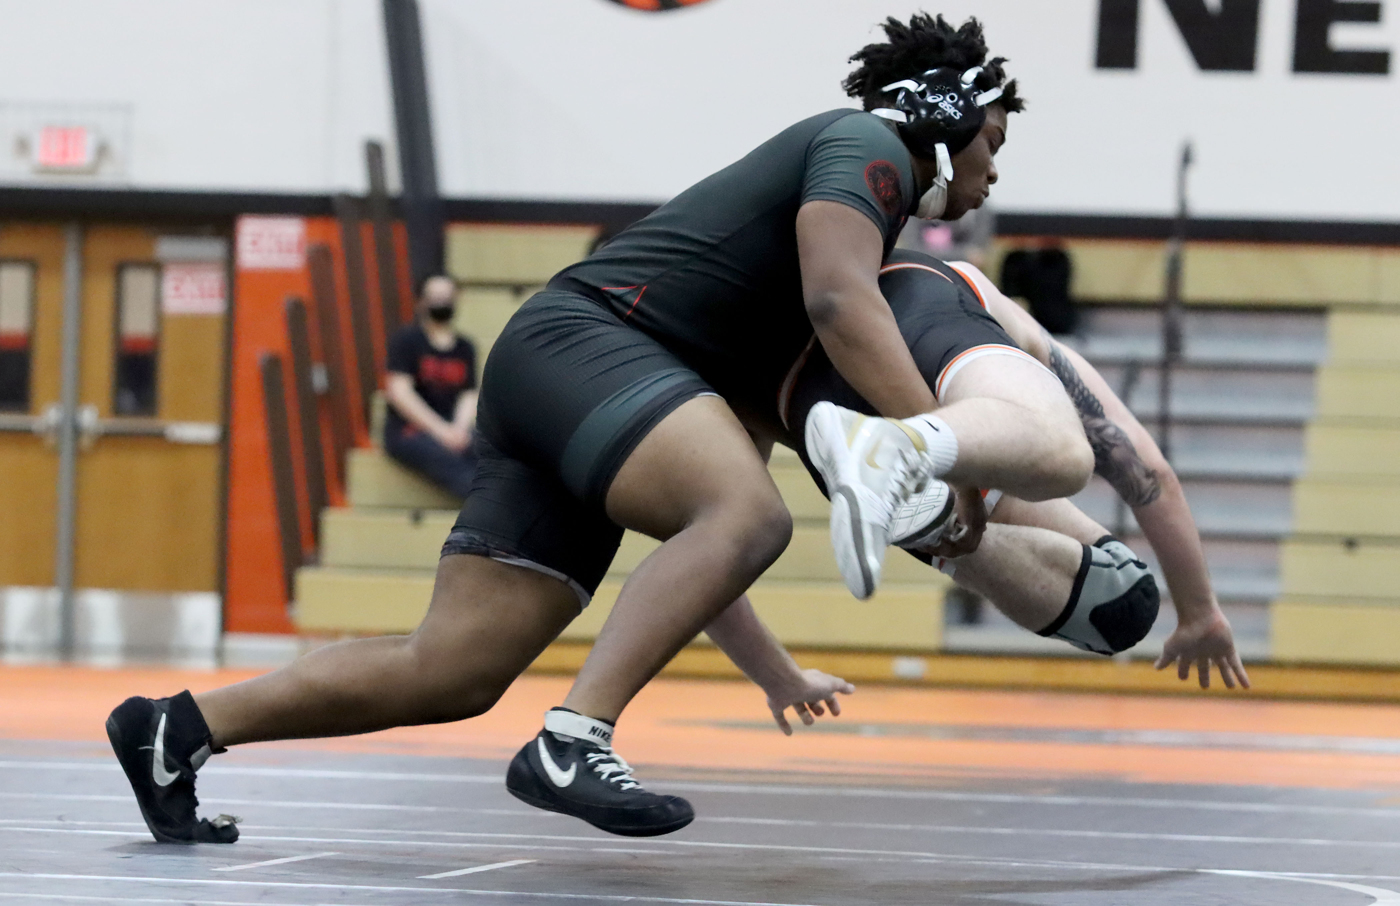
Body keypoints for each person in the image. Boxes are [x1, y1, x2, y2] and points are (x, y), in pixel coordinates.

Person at [104, 12, 1088, 844]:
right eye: (993, 138)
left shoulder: (780, 266)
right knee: (748, 514)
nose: (993, 168)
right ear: (942, 111)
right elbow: (839, 306)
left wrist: (770, 670)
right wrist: (943, 447)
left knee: (452, 668)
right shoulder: (863, 147)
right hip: (582, 348)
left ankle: (177, 730)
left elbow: (704, 541)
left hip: (566, 373)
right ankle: (574, 739)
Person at [781, 249, 1248, 688]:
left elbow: (737, 523)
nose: (993, 174)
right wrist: (1200, 612)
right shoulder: (979, 296)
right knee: (1124, 601)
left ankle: (912, 472)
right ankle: (927, 492)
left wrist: (775, 675)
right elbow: (1145, 472)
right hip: (928, 328)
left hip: (795, 392)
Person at [382, 274, 479, 499]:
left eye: (447, 296)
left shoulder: (466, 347)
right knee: (456, 466)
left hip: (454, 428)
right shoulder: (405, 340)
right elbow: (400, 392)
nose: (442, 301)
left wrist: (459, 430)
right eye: (435, 296)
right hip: (410, 431)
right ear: (420, 302)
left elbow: (469, 394)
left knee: (497, 456)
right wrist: (441, 432)